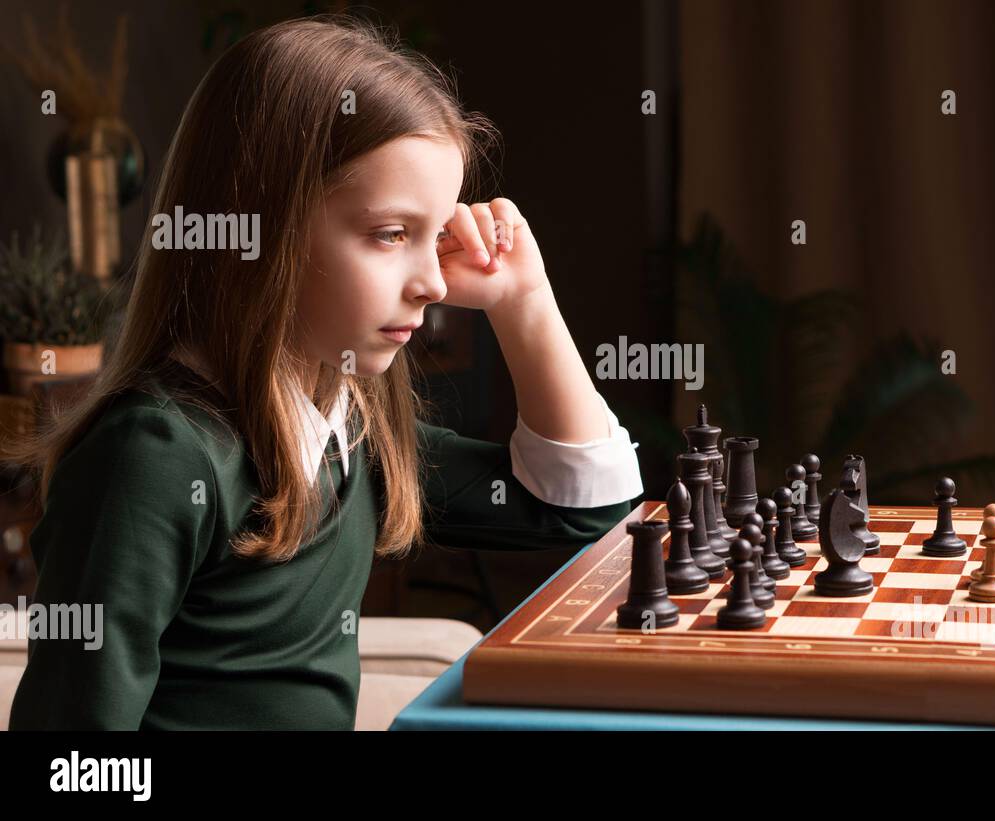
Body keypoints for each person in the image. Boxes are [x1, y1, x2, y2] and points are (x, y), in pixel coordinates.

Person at [3, 17, 642, 730]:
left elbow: (580, 507)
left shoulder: (346, 425)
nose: (433, 280)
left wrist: (524, 300)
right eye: (392, 234)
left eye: (437, 235)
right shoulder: (152, 456)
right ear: (263, 226)